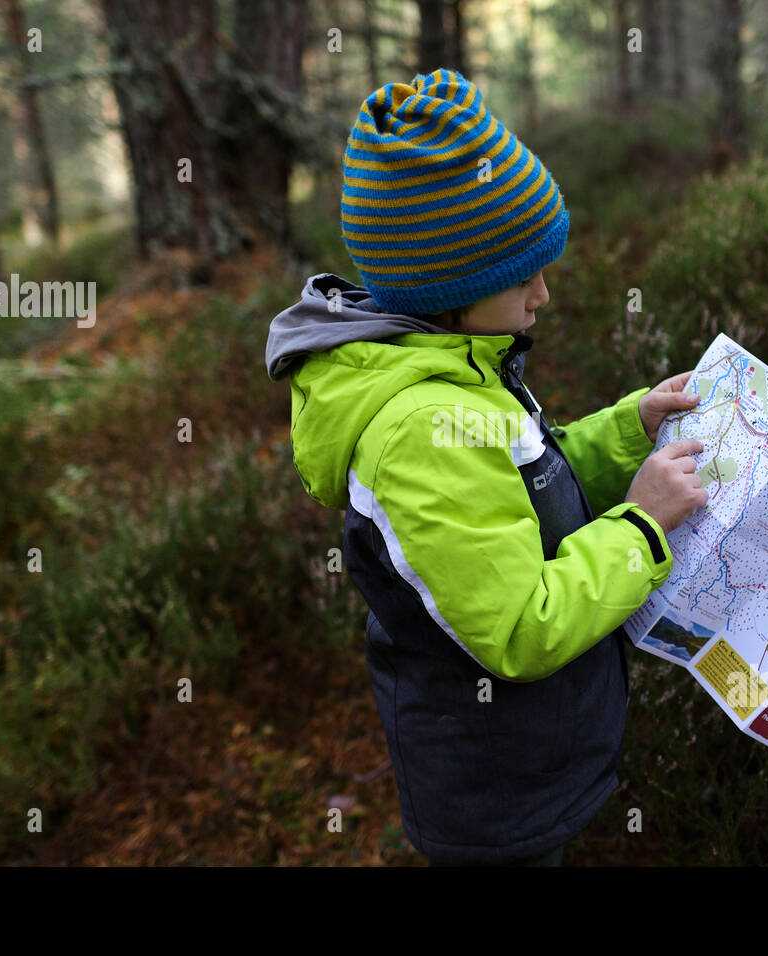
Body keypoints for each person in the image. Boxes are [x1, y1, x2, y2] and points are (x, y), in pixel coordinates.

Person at [265, 69, 709, 866]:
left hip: (528, 757)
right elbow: (517, 626)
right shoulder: (424, 427)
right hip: (493, 793)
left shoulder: (457, 365)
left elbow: (527, 487)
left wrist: (629, 431)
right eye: (522, 275)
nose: (544, 294)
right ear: (453, 285)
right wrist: (642, 526)